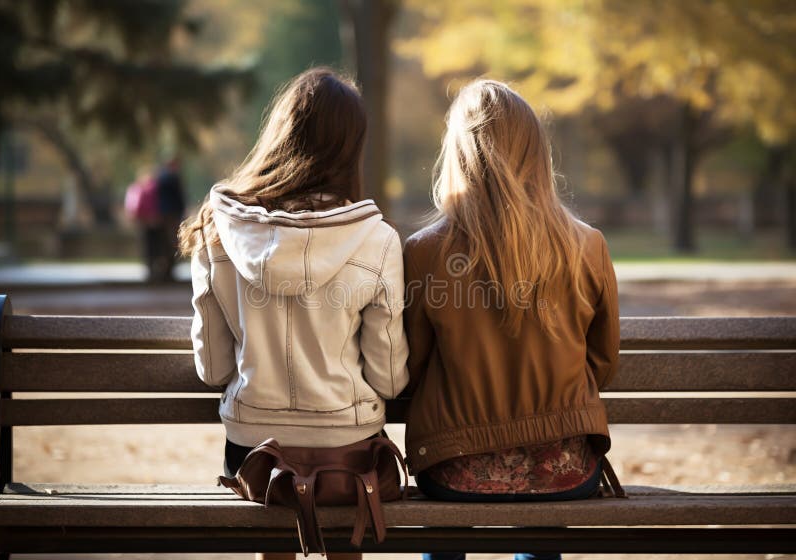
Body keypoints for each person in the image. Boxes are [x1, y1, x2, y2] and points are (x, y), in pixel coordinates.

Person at [178, 68, 409, 560]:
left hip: (255, 451)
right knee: (348, 522)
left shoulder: (218, 233)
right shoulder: (377, 239)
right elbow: (389, 379)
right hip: (347, 450)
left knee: (272, 514)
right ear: (352, 149)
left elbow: (213, 369)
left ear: (278, 137)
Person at [403, 80, 622, 560]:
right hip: (564, 467)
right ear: (536, 152)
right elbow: (603, 361)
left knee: (441, 538)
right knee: (541, 528)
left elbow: (412, 365)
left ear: (460, 152)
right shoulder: (587, 246)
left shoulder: (424, 253)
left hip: (453, 467)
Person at [154, 158, 186, 282]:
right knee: (172, 243)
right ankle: (168, 271)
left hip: (163, 214)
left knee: (164, 243)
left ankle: (165, 271)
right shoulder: (172, 178)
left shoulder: (160, 177)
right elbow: (178, 198)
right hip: (172, 215)